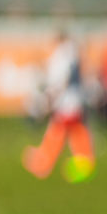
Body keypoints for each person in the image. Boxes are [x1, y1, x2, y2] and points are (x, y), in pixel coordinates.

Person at [22, 30, 96, 183]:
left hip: (66, 102)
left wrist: (49, 99)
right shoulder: (70, 54)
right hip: (72, 100)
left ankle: (44, 164)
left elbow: (60, 81)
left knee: (61, 130)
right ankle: (83, 160)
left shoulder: (62, 56)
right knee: (71, 130)